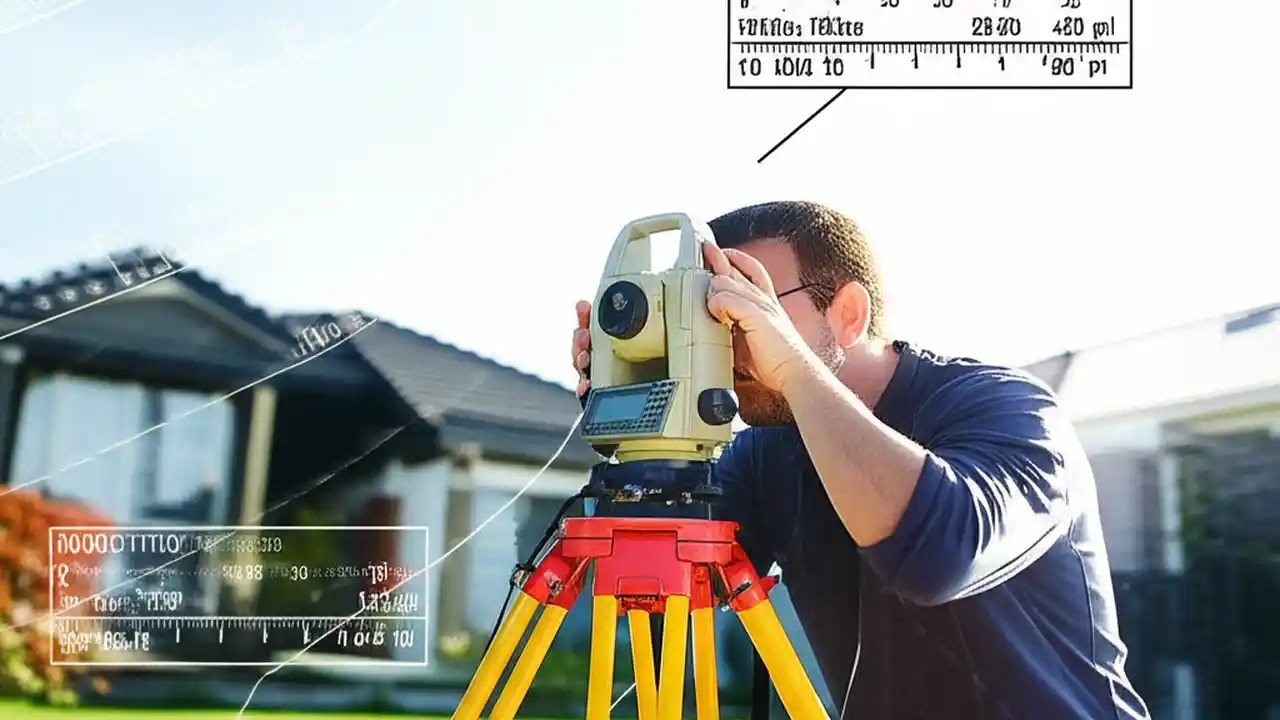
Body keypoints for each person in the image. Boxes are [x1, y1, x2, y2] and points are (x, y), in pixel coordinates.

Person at [570, 201, 1151, 719]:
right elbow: (658, 595)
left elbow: (936, 555)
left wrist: (795, 369)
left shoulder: (1006, 409)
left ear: (848, 312)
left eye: (747, 305)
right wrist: (642, 404)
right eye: (705, 316)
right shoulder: (764, 450)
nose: (730, 340)